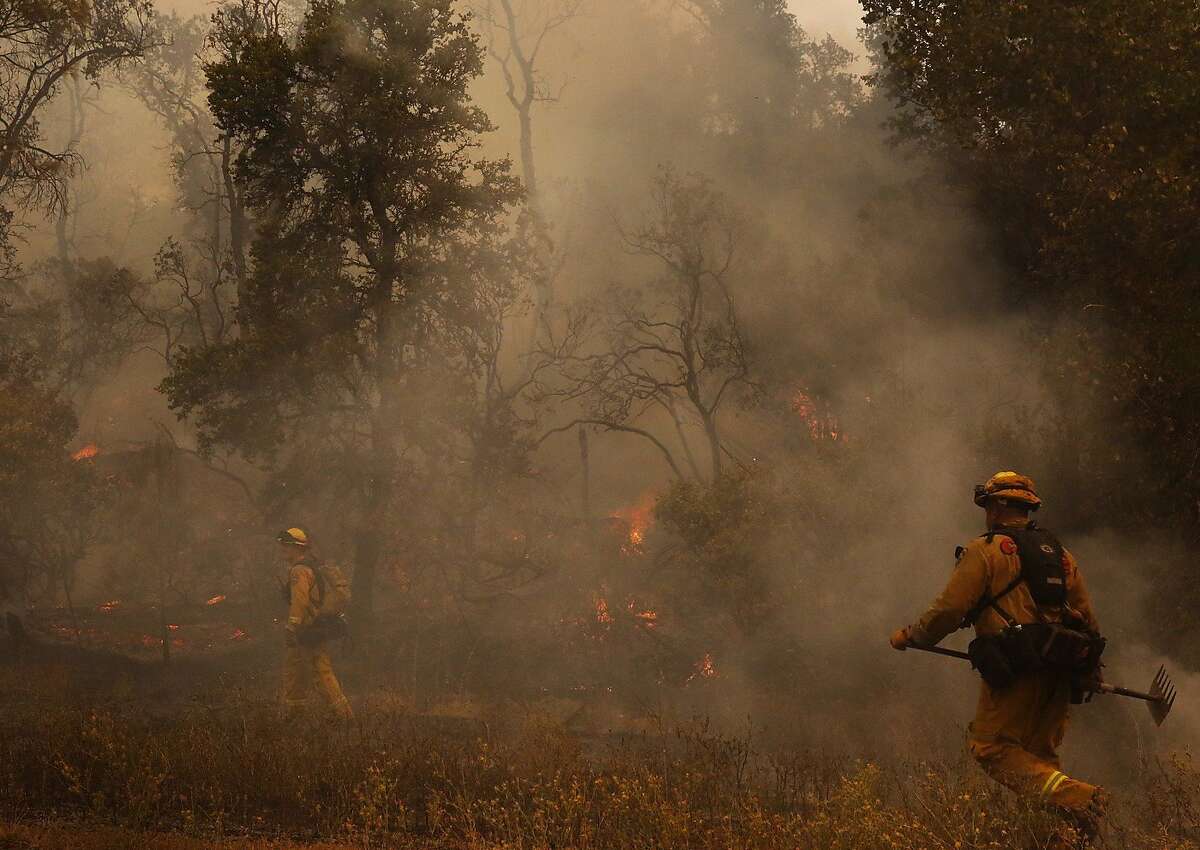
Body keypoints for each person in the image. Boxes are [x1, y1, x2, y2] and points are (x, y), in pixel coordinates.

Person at [889, 472, 1105, 845]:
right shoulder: (1062, 557)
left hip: (1014, 670)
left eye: (990, 504)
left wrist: (913, 635)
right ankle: (1063, 838)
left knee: (991, 749)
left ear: (999, 506)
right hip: (1059, 672)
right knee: (1038, 758)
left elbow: (950, 609)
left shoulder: (986, 551)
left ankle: (1081, 799)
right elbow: (1088, 621)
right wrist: (1091, 672)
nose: (987, 511)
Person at [278, 527, 353, 719]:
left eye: (287, 545)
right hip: (315, 626)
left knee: (305, 670)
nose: (283, 548)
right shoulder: (311, 566)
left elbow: (300, 601)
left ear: (298, 548)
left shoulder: (299, 570)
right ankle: (339, 714)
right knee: (310, 669)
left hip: (304, 629)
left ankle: (296, 716)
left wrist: (292, 626)